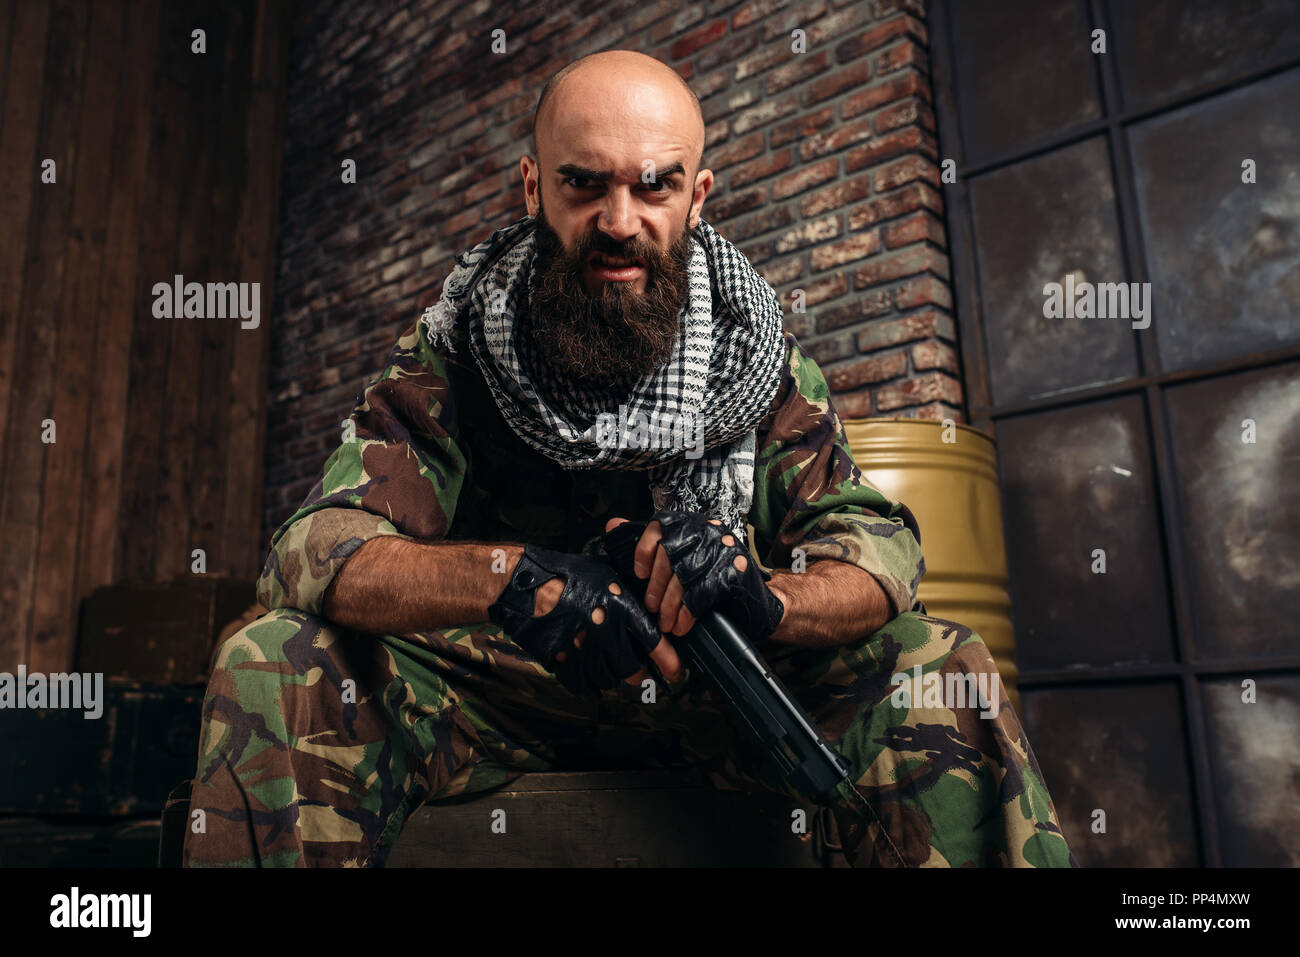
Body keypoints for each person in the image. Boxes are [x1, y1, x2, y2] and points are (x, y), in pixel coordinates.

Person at [183, 50, 1075, 868]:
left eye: (655, 186)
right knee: (271, 654)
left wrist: (767, 596)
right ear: (532, 188)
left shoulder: (754, 355)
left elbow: (878, 551)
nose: (620, 221)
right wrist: (506, 578)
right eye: (584, 184)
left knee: (939, 660)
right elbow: (314, 549)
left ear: (698, 196)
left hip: (711, 694)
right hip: (500, 692)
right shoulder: (455, 347)